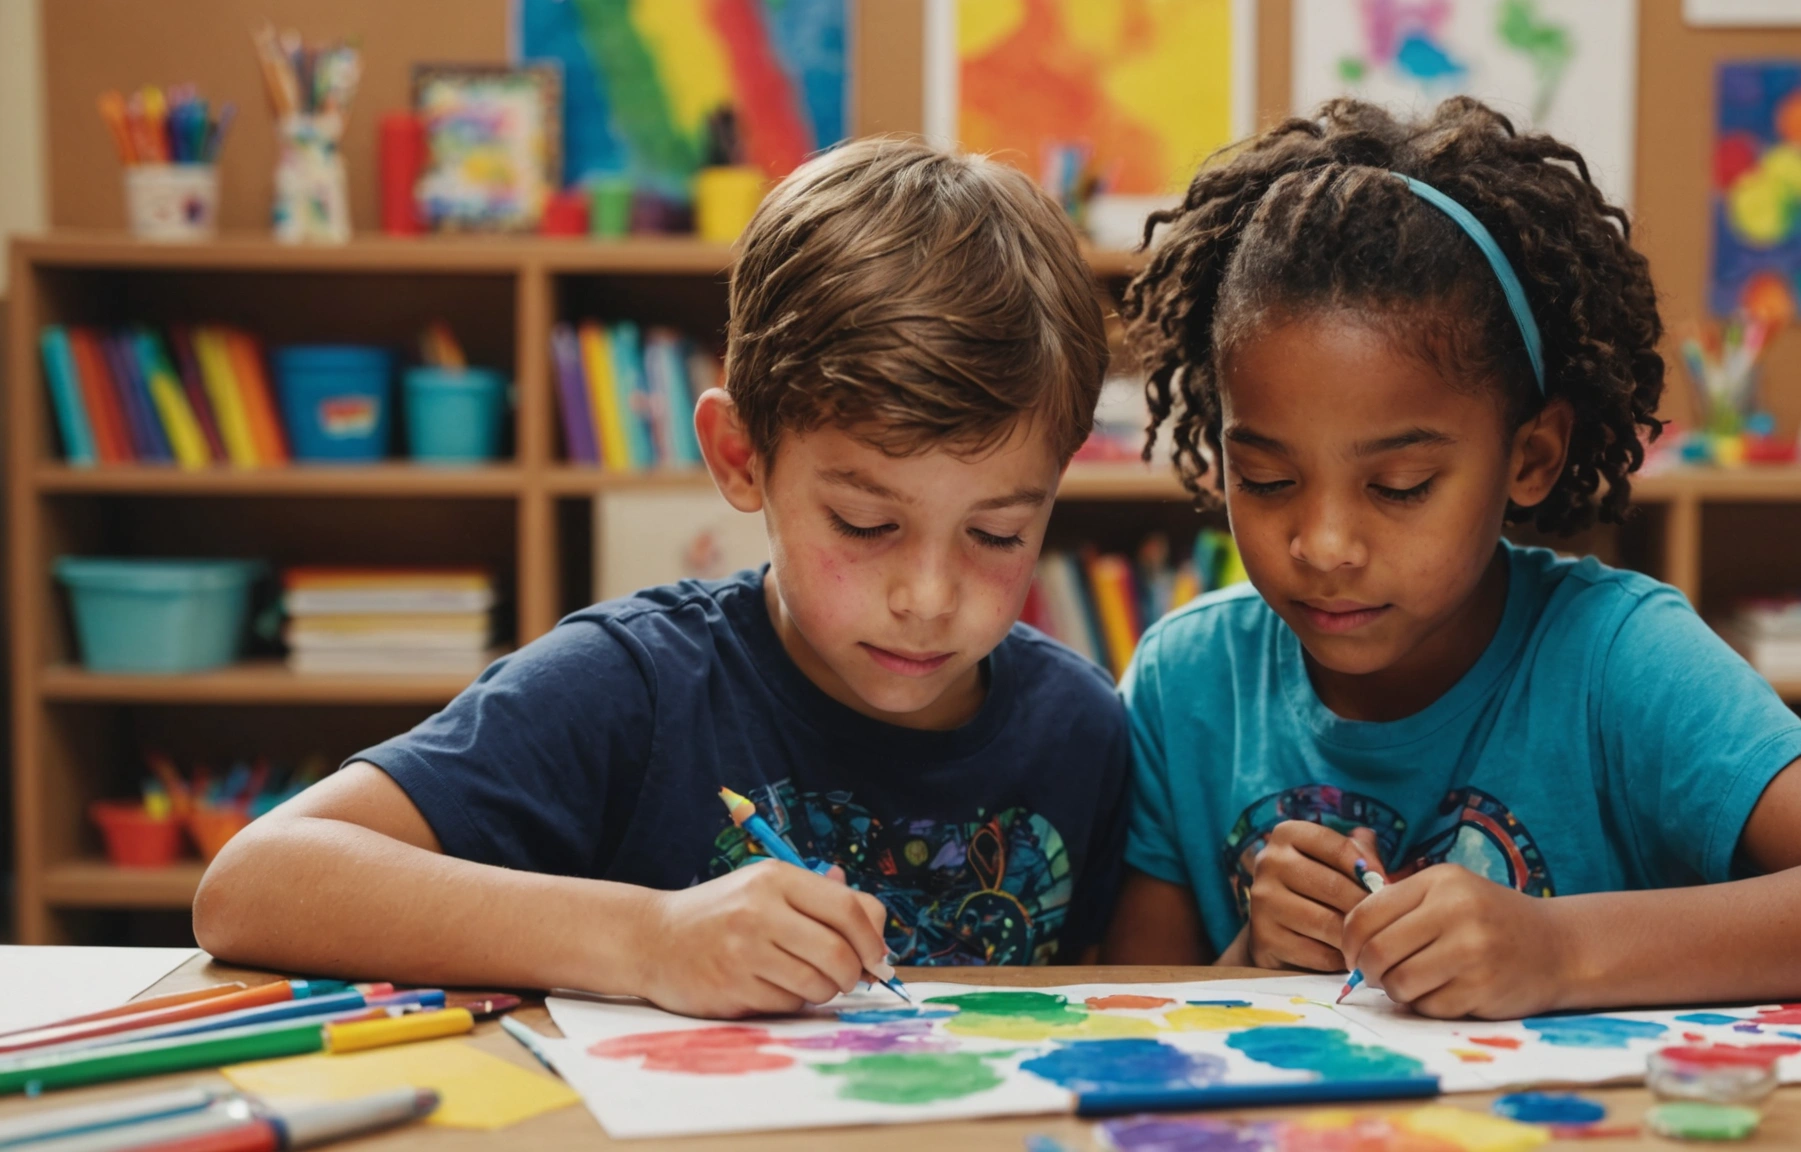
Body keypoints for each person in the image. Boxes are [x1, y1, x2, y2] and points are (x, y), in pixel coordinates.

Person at [196, 137, 1128, 1018]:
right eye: (865, 524)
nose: (928, 597)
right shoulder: (630, 687)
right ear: (740, 457)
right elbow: (254, 884)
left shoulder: (1080, 729)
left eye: (997, 534)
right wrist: (647, 939)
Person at [1101, 98, 1801, 1019]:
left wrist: (1563, 951)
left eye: (1400, 487)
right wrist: (1251, 956)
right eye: (1266, 480)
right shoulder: (1187, 684)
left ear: (1530, 458)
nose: (1326, 546)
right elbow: (1131, 1016)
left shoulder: (1619, 659)